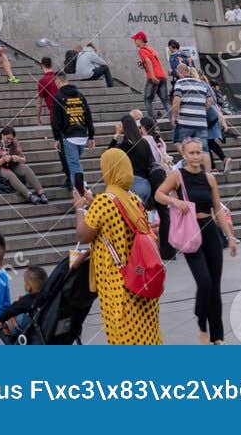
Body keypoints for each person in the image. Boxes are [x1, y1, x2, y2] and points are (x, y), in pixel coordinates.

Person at [73, 148, 162, 345]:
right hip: (141, 279)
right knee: (148, 338)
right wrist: (91, 200)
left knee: (123, 340)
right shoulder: (135, 200)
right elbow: (116, 226)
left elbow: (83, 234)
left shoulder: (104, 202)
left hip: (119, 286)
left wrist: (80, 207)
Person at [155, 137, 237, 343]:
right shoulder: (177, 176)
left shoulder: (209, 178)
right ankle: (202, 323)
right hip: (190, 233)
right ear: (183, 154)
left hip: (210, 232)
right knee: (205, 282)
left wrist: (230, 236)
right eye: (191, 153)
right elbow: (158, 194)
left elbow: (217, 208)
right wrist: (175, 200)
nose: (195, 156)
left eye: (198, 152)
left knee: (215, 286)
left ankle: (217, 336)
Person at [50, 79, 95, 189]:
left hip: (69, 136)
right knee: (74, 162)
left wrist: (56, 138)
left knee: (74, 164)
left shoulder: (58, 97)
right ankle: (78, 188)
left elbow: (56, 120)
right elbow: (88, 115)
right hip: (82, 134)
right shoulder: (80, 96)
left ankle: (82, 188)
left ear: (58, 82)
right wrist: (91, 136)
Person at [0, 126, 48, 203]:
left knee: (25, 168)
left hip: (12, 165)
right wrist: (3, 159)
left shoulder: (14, 142)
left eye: (11, 139)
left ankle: (41, 192)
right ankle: (29, 195)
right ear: (2, 135)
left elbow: (23, 159)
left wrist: (17, 158)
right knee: (10, 174)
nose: (9, 141)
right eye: (7, 138)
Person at [111, 114, 156, 202]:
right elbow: (151, 161)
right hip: (146, 184)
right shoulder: (144, 142)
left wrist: (116, 135)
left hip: (132, 184)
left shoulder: (125, 145)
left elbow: (108, 155)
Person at [171, 58, 215, 146]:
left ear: (180, 72)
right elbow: (210, 100)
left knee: (179, 143)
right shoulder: (201, 83)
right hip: (201, 122)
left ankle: (186, 158)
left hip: (185, 122)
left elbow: (176, 101)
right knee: (203, 150)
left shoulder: (180, 82)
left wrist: (174, 116)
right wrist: (201, 110)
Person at [131, 31, 169, 114]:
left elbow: (148, 61)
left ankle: (152, 124)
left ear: (140, 39)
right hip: (162, 75)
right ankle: (174, 120)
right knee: (165, 100)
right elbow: (153, 61)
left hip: (154, 76)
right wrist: (143, 65)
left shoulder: (141, 50)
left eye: (135, 39)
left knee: (148, 100)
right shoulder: (151, 49)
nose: (134, 41)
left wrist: (152, 76)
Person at [36, 55, 60, 125]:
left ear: (42, 65)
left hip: (54, 114)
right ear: (51, 65)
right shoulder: (60, 78)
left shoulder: (42, 81)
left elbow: (39, 103)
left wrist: (38, 119)